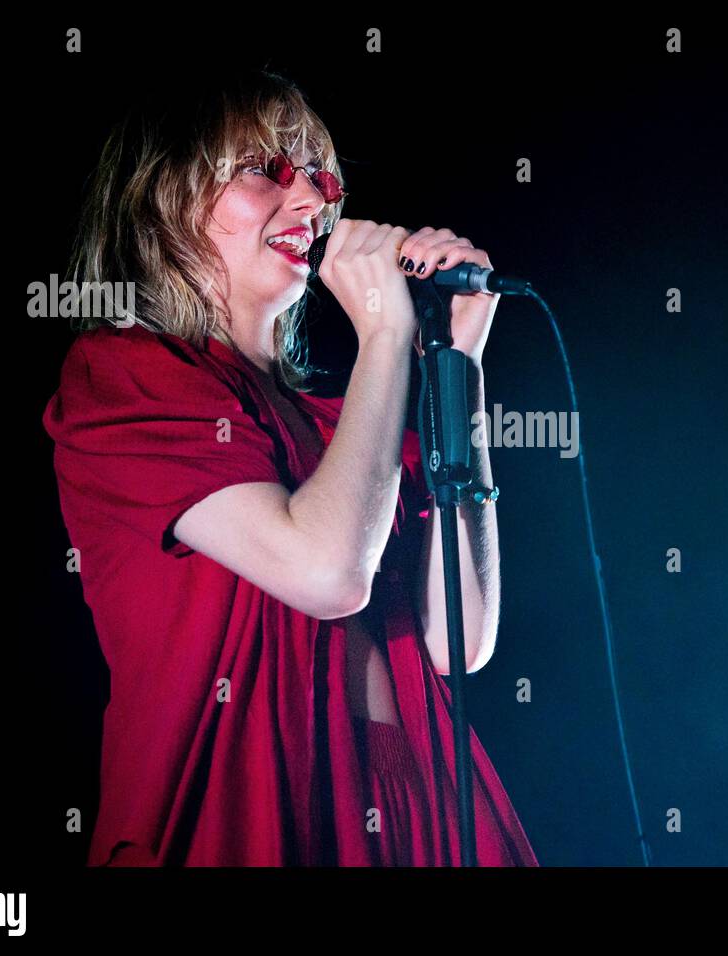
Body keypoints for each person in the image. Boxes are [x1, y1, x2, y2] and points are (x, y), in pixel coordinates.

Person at [42, 68, 538, 866]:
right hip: (260, 812)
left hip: (416, 805)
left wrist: (458, 367)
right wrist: (385, 337)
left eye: (320, 177)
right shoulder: (125, 378)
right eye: (264, 169)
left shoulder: (346, 422)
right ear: (161, 193)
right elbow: (327, 573)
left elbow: (459, 639)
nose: (311, 201)